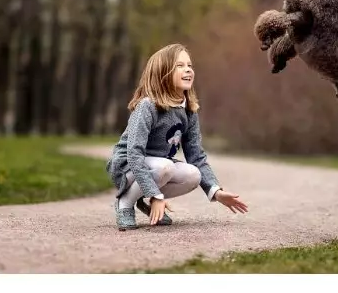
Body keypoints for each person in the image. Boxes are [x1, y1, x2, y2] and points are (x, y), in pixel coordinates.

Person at [105, 43, 249, 230]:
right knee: (165, 167)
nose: (188, 70)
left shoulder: (189, 110)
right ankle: (125, 203)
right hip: (127, 166)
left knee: (193, 175)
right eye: (180, 66)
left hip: (157, 168)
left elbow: (196, 156)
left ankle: (142, 197)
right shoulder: (147, 106)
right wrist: (156, 196)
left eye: (190, 65)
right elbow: (134, 154)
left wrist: (216, 191)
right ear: (162, 73)